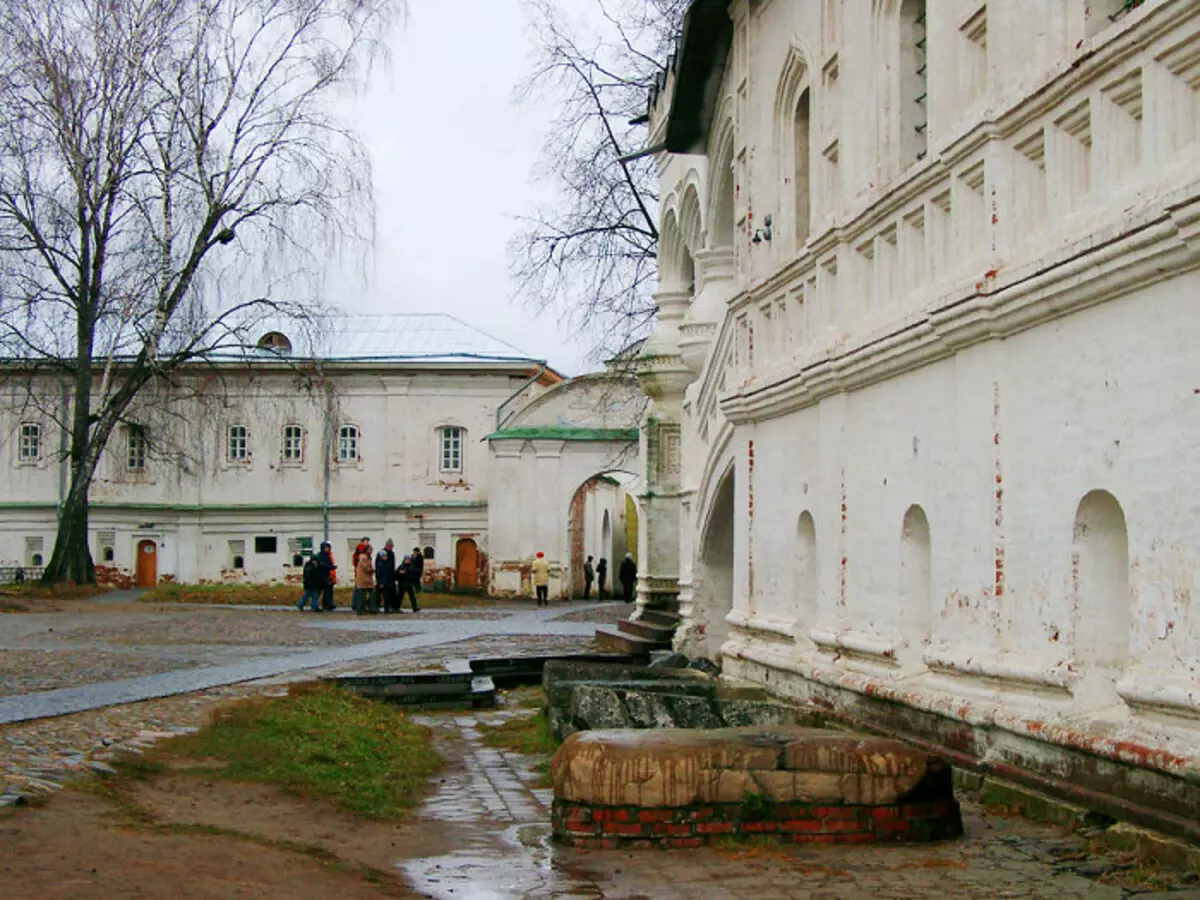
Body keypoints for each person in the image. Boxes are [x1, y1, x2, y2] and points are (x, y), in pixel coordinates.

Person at [353, 541, 376, 615]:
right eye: (369, 550)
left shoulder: (368, 557)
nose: (370, 551)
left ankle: (370, 608)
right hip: (363, 579)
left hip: (367, 579)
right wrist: (372, 570)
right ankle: (360, 610)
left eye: (371, 550)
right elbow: (366, 568)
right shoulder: (363, 557)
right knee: (362, 596)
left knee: (371, 594)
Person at [313, 541, 337, 611]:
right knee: (320, 592)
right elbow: (321, 565)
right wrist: (330, 567)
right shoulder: (320, 556)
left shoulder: (328, 556)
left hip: (327, 575)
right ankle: (318, 605)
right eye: (326, 548)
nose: (327, 549)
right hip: (321, 576)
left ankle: (328, 604)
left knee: (329, 590)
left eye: (328, 548)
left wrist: (332, 567)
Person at [375, 539, 397, 614]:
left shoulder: (392, 553)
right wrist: (379, 580)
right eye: (390, 546)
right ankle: (378, 607)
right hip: (382, 578)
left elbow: (392, 566)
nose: (391, 548)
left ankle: (392, 607)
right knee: (381, 594)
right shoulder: (381, 553)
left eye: (392, 546)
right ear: (386, 545)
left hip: (390, 577)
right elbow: (378, 568)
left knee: (392, 593)